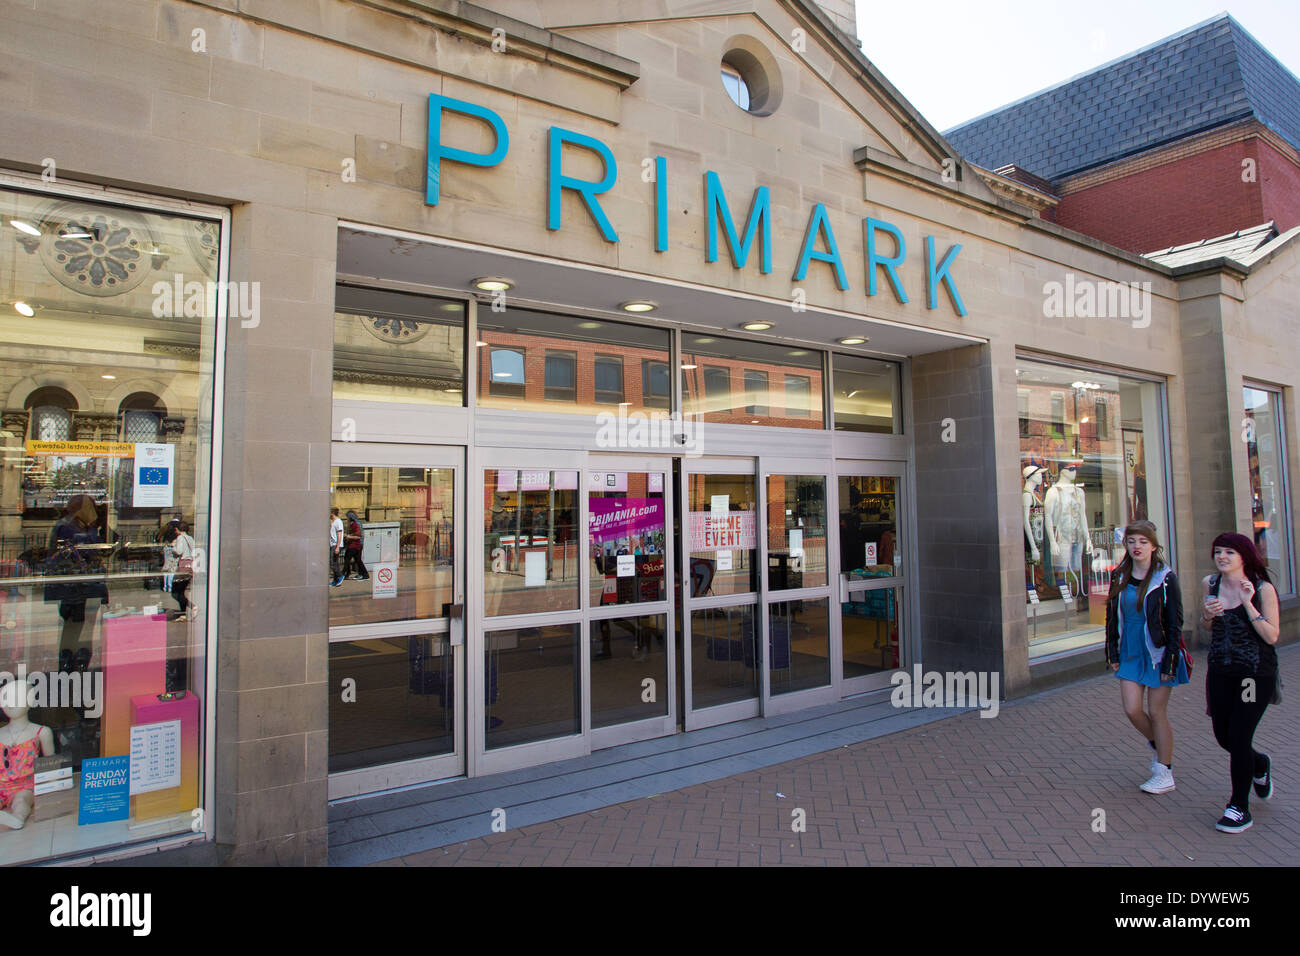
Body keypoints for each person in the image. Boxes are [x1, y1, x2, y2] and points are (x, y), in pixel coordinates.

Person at [1200, 532, 1280, 833]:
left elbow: (1272, 636)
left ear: (1243, 556)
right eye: (1218, 551)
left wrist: (1248, 604)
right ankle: (1259, 765)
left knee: (1240, 735)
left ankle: (1238, 807)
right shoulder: (1210, 584)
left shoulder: (1261, 589)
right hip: (1221, 669)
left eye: (1229, 552)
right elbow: (1205, 626)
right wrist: (1206, 616)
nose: (1222, 557)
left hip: (1253, 674)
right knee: (1225, 736)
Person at [1104, 519, 1188, 795]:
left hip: (1158, 652)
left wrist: (1171, 661)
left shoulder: (1165, 578)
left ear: (1153, 545)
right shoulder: (1119, 575)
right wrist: (1112, 651)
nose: (1136, 547)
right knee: (1131, 708)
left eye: (1142, 542)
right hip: (1130, 650)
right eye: (1131, 541)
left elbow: (1175, 623)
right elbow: (1111, 618)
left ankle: (1165, 771)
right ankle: (1159, 744)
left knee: (1156, 711)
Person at [163, 519, 196, 622]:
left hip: (182, 566)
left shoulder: (180, 538)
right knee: (180, 591)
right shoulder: (190, 538)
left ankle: (192, 606)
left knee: (176, 592)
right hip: (190, 566)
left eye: (175, 529)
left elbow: (179, 551)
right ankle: (183, 614)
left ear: (178, 529)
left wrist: (173, 547)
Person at [343, 510, 368, 580]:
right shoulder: (355, 522)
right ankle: (362, 574)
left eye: (347, 517)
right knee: (357, 559)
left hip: (357, 544)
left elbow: (358, 535)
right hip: (356, 544)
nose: (346, 518)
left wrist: (348, 536)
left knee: (351, 559)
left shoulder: (355, 523)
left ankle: (346, 574)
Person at [329, 507, 345, 587]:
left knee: (332, 562)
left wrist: (338, 547)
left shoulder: (338, 522)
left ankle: (340, 576)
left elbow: (339, 534)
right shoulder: (334, 522)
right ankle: (335, 581)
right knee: (334, 562)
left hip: (336, 544)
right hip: (333, 544)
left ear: (332, 513)